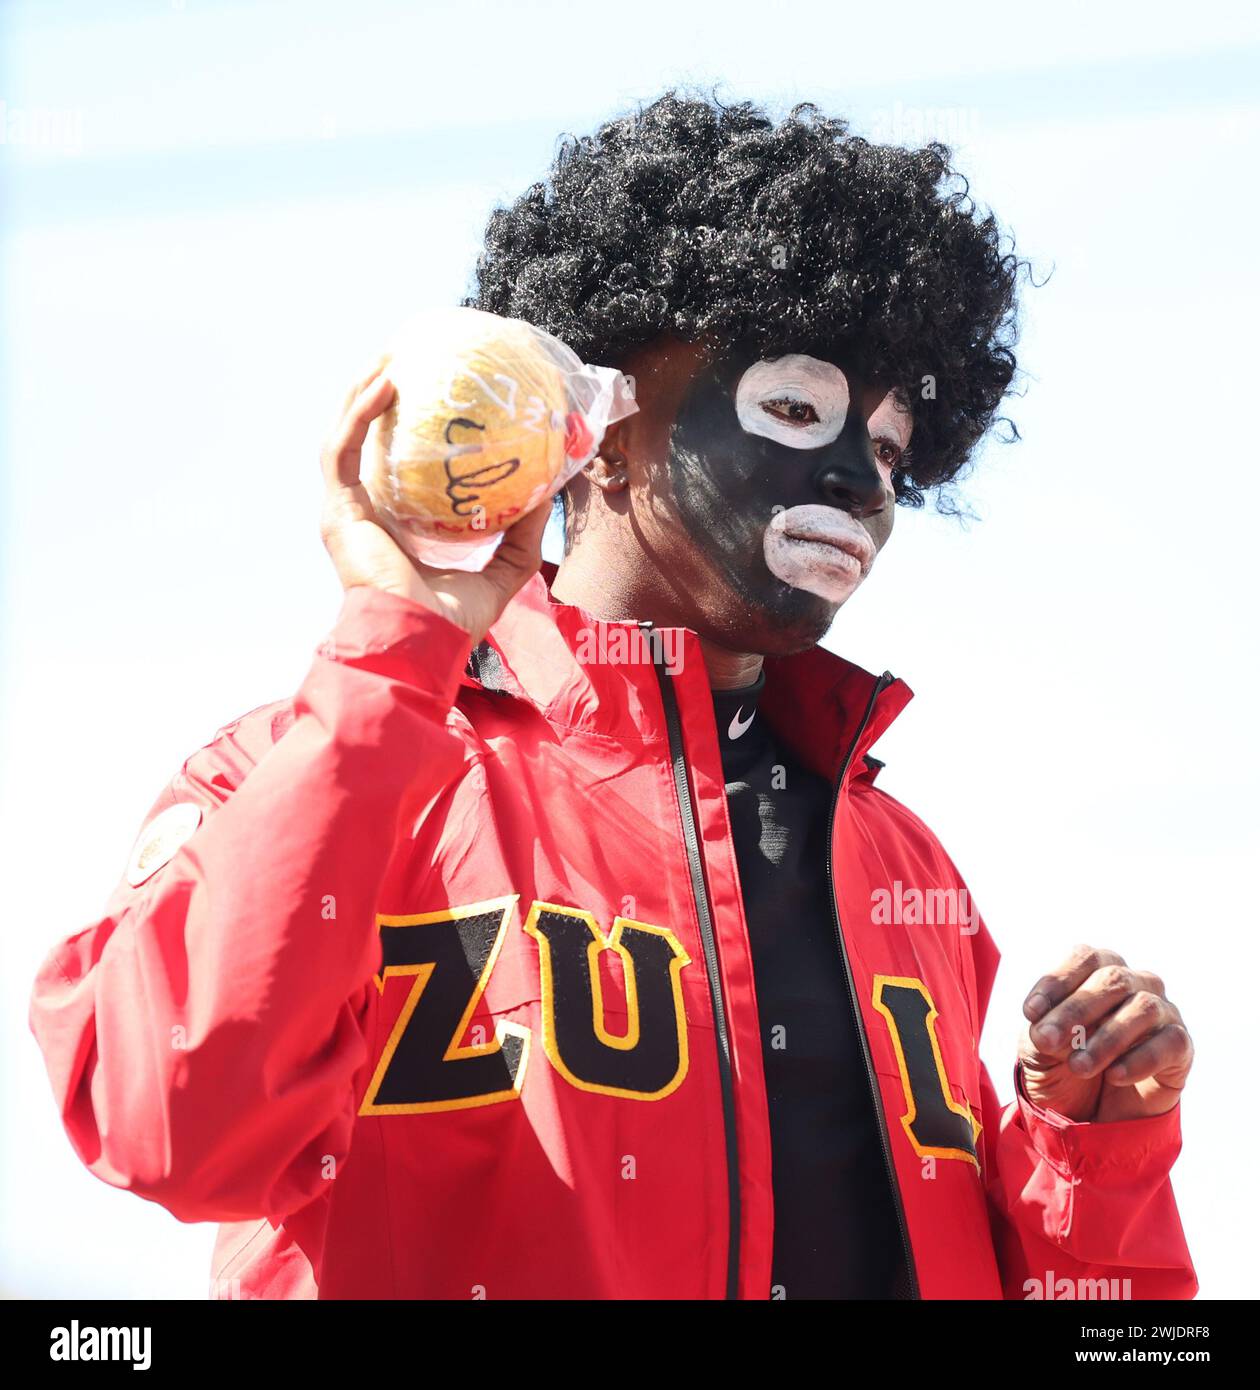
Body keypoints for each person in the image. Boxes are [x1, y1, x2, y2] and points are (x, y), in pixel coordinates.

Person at [29, 92, 1195, 1300]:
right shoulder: (321, 768)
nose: (859, 480)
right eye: (795, 410)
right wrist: (394, 656)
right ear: (607, 431)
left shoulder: (906, 866)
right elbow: (169, 1126)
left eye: (894, 447)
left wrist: (1091, 1158)